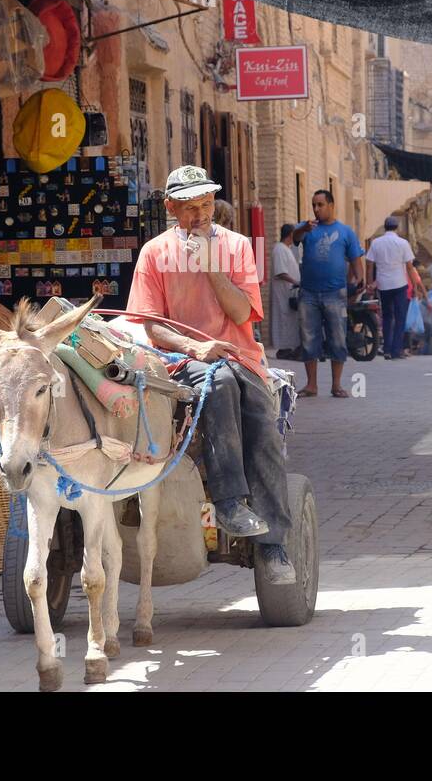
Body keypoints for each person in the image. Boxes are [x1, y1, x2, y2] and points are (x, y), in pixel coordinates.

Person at [127, 165, 296, 584]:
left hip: (240, 357)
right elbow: (150, 324)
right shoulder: (154, 253)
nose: (199, 215)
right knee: (216, 382)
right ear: (171, 208)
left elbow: (241, 313)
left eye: (205, 205)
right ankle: (229, 502)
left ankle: (274, 545)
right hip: (181, 362)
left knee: (264, 426)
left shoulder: (237, 247)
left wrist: (209, 265)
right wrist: (193, 347)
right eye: (188, 207)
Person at [292, 189, 365, 397]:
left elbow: (355, 260)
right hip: (308, 293)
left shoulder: (345, 232)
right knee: (308, 338)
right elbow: (295, 237)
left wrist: (359, 280)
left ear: (331, 205)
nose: (316, 209)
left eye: (320, 205)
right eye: (314, 205)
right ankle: (311, 385)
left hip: (336, 293)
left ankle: (336, 385)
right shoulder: (307, 228)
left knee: (338, 338)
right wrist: (303, 228)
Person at [365, 216, 417, 359]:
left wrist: (370, 283)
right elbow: (410, 267)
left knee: (387, 316)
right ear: (397, 228)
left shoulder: (376, 243)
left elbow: (369, 264)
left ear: (385, 227)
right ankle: (396, 350)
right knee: (400, 317)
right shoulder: (403, 243)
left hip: (383, 285)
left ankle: (387, 349)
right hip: (400, 284)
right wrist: (415, 287)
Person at [270, 223, 302, 360]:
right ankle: (284, 350)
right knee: (283, 322)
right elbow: (281, 272)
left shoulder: (286, 249)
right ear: (291, 235)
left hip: (289, 293)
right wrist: (297, 283)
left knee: (290, 322)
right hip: (282, 294)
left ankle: (290, 349)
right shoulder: (279, 249)